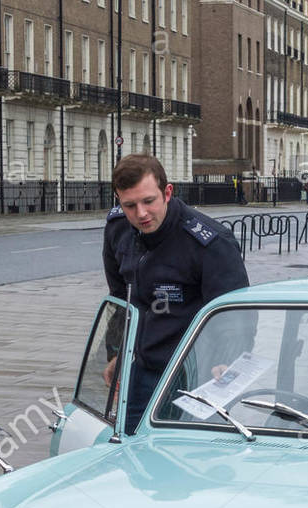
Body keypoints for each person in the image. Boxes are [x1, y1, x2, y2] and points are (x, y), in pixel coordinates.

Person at [102, 154, 250, 433]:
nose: (141, 214)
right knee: (129, 448)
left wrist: (226, 363)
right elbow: (121, 299)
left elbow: (235, 315)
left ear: (167, 192)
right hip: (141, 368)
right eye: (129, 205)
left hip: (193, 372)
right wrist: (116, 353)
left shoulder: (210, 243)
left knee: (183, 457)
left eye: (149, 201)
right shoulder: (118, 230)